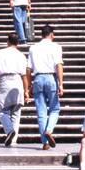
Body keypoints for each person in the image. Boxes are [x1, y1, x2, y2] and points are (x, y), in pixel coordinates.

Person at [0, 31, 30, 146]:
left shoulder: (0, 52)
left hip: (5, 81)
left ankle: (9, 130)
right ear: (18, 43)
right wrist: (26, 91)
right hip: (18, 82)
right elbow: (24, 75)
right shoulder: (21, 55)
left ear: (7, 42)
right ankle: (13, 140)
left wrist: (1, 69)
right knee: (16, 112)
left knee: (2, 111)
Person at [28, 22, 63, 150]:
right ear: (52, 35)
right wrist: (61, 84)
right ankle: (49, 130)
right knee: (54, 109)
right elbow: (59, 65)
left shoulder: (33, 48)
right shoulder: (56, 47)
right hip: (51, 78)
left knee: (41, 111)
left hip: (37, 78)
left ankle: (45, 142)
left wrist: (30, 85)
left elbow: (28, 68)